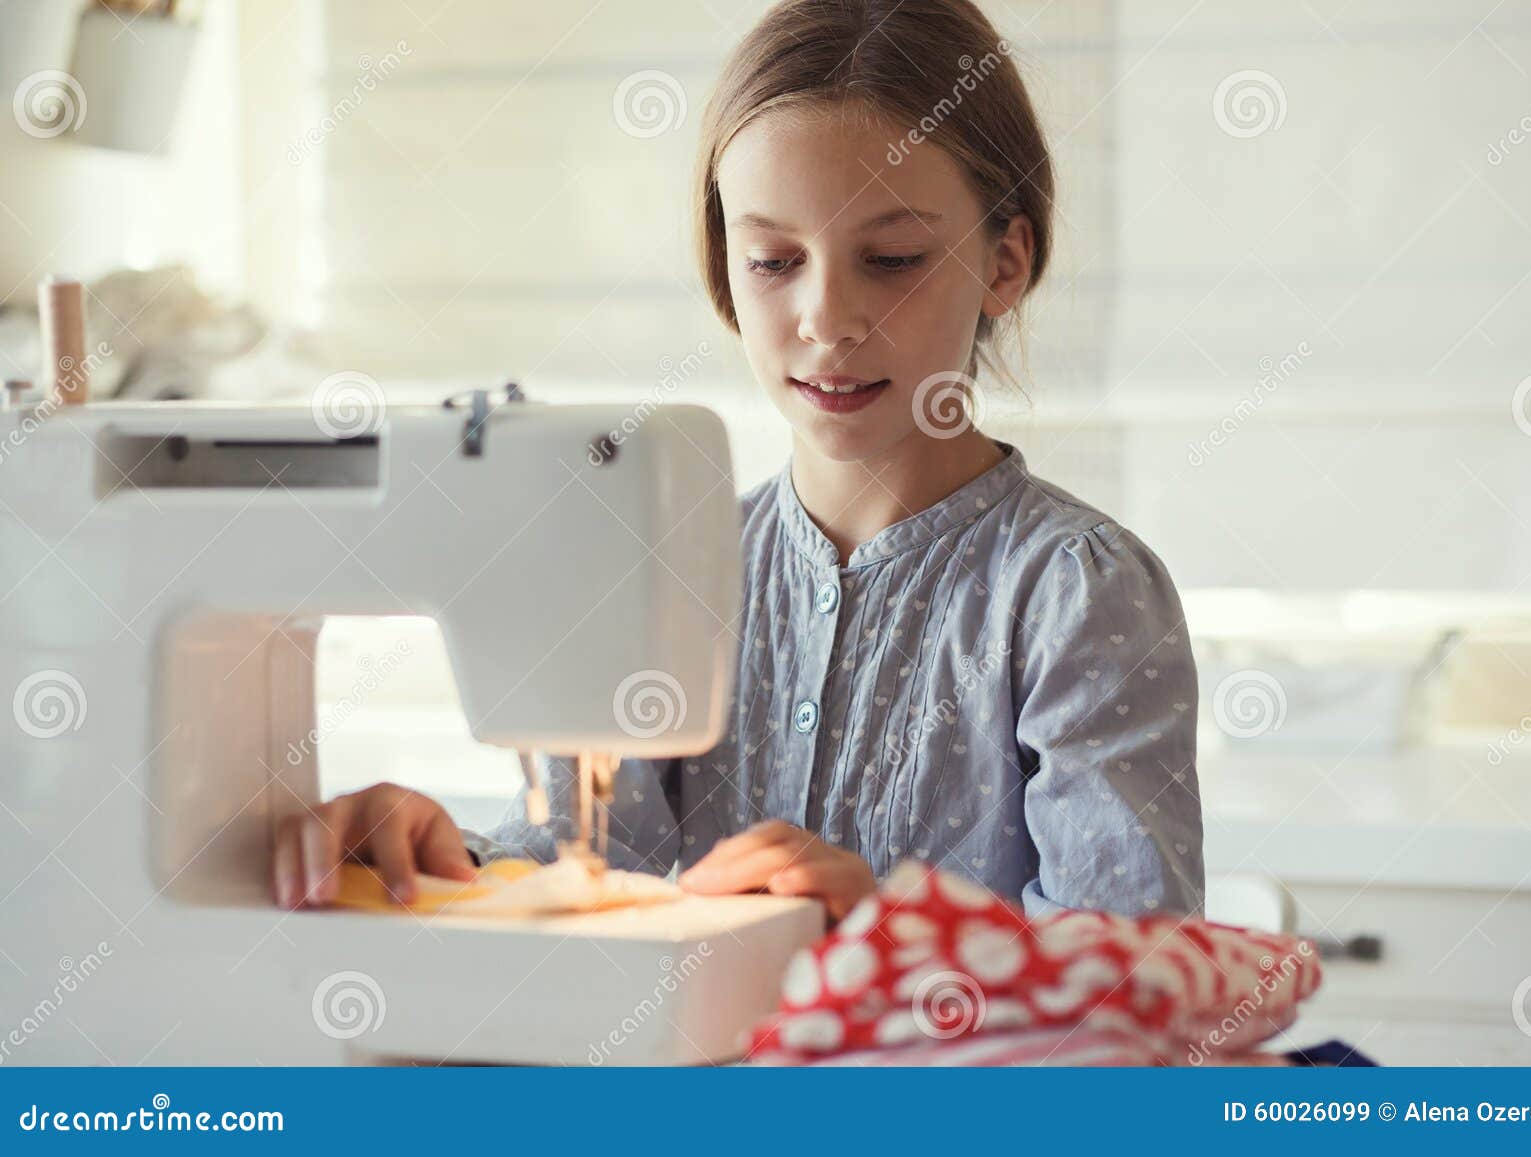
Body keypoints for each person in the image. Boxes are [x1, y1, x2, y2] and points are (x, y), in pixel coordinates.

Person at [272, 0, 1204, 924]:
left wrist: (893, 932)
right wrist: (438, 859)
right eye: (771, 259)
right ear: (725, 269)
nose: (827, 319)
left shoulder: (1076, 595)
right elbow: (582, 874)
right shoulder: (666, 572)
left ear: (1004, 263)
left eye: (892, 257)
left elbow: (1137, 988)